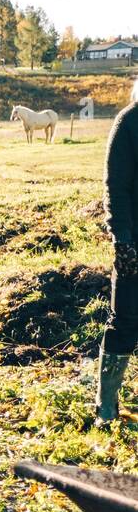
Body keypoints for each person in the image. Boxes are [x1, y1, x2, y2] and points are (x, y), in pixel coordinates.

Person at [99, 78, 138, 421]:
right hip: (134, 244)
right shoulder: (129, 123)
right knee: (125, 321)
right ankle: (106, 407)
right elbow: (116, 186)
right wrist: (122, 240)